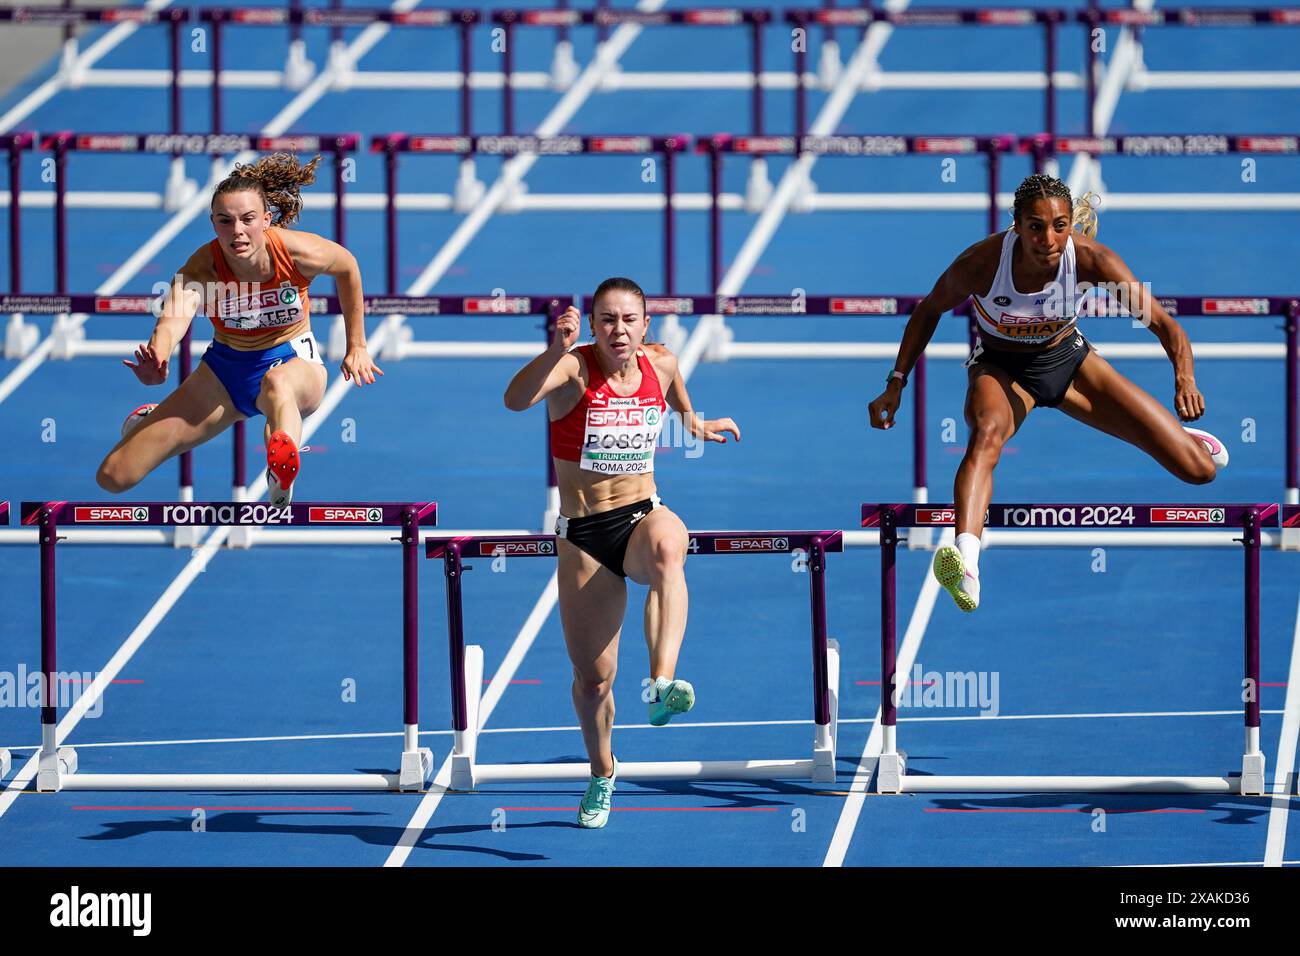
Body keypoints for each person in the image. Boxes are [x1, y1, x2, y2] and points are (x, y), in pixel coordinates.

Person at [868, 174, 1226, 613]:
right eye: (1035, 227)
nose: (1048, 238)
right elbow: (928, 311)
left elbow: (1165, 326)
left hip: (1070, 364)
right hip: (1001, 369)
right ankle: (968, 564)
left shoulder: (1094, 260)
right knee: (986, 434)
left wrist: (1185, 379)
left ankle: (1188, 440)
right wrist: (896, 382)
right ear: (1016, 225)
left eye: (1059, 225)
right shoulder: (981, 263)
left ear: (1070, 223)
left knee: (1199, 471)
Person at [504, 277, 740, 828]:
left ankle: (662, 683)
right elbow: (514, 400)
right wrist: (553, 351)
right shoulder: (574, 369)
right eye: (607, 320)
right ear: (592, 326)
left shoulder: (662, 363)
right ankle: (603, 770)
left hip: (640, 515)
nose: (618, 330)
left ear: (645, 327)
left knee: (669, 547)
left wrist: (694, 424)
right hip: (584, 535)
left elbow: (677, 388)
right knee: (594, 681)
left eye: (628, 320)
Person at [96, 152, 381, 506]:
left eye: (247, 220)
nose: (238, 232)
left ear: (266, 220)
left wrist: (357, 345)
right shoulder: (204, 269)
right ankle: (151, 420)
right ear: (214, 224)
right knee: (114, 477)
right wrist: (159, 356)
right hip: (224, 374)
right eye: (225, 222)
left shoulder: (296, 253)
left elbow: (348, 267)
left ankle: (280, 472)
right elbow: (173, 318)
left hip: (293, 359)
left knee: (278, 387)